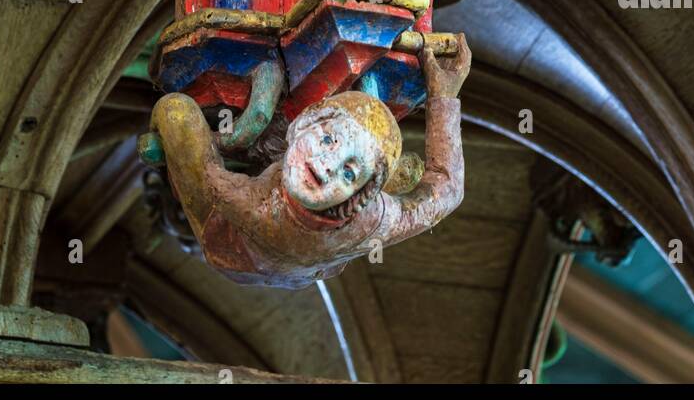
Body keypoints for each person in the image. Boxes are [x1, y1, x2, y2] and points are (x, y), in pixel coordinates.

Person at [150, 36, 471, 288]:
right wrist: (444, 96)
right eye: (330, 140)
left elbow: (210, 175)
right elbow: (448, 191)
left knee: (175, 111)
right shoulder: (379, 217)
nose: (328, 165)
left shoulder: (249, 206)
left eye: (348, 171)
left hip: (228, 246)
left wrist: (217, 143)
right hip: (306, 273)